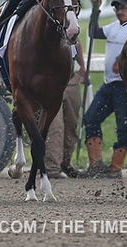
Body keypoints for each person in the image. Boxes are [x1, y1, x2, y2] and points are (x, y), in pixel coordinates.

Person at [83, 0, 127, 178]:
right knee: (90, 119)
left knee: (123, 127)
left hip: (126, 87)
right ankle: (96, 165)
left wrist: (122, 61)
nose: (120, 11)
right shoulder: (113, 27)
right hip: (108, 85)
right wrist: (95, 11)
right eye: (117, 8)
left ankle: (115, 169)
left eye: (123, 8)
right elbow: (93, 32)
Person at [44, 41, 85, 178]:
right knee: (55, 127)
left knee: (71, 124)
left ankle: (65, 162)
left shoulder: (70, 25)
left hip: (71, 79)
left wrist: (82, 66)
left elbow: (76, 42)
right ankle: (52, 167)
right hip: (50, 81)